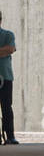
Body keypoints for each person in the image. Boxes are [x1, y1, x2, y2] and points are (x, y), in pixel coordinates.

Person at [0, 9, 15, 144]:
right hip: (5, 74)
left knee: (6, 107)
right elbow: (7, 50)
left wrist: (6, 50)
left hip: (5, 76)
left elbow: (10, 49)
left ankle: (10, 135)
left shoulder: (8, 34)